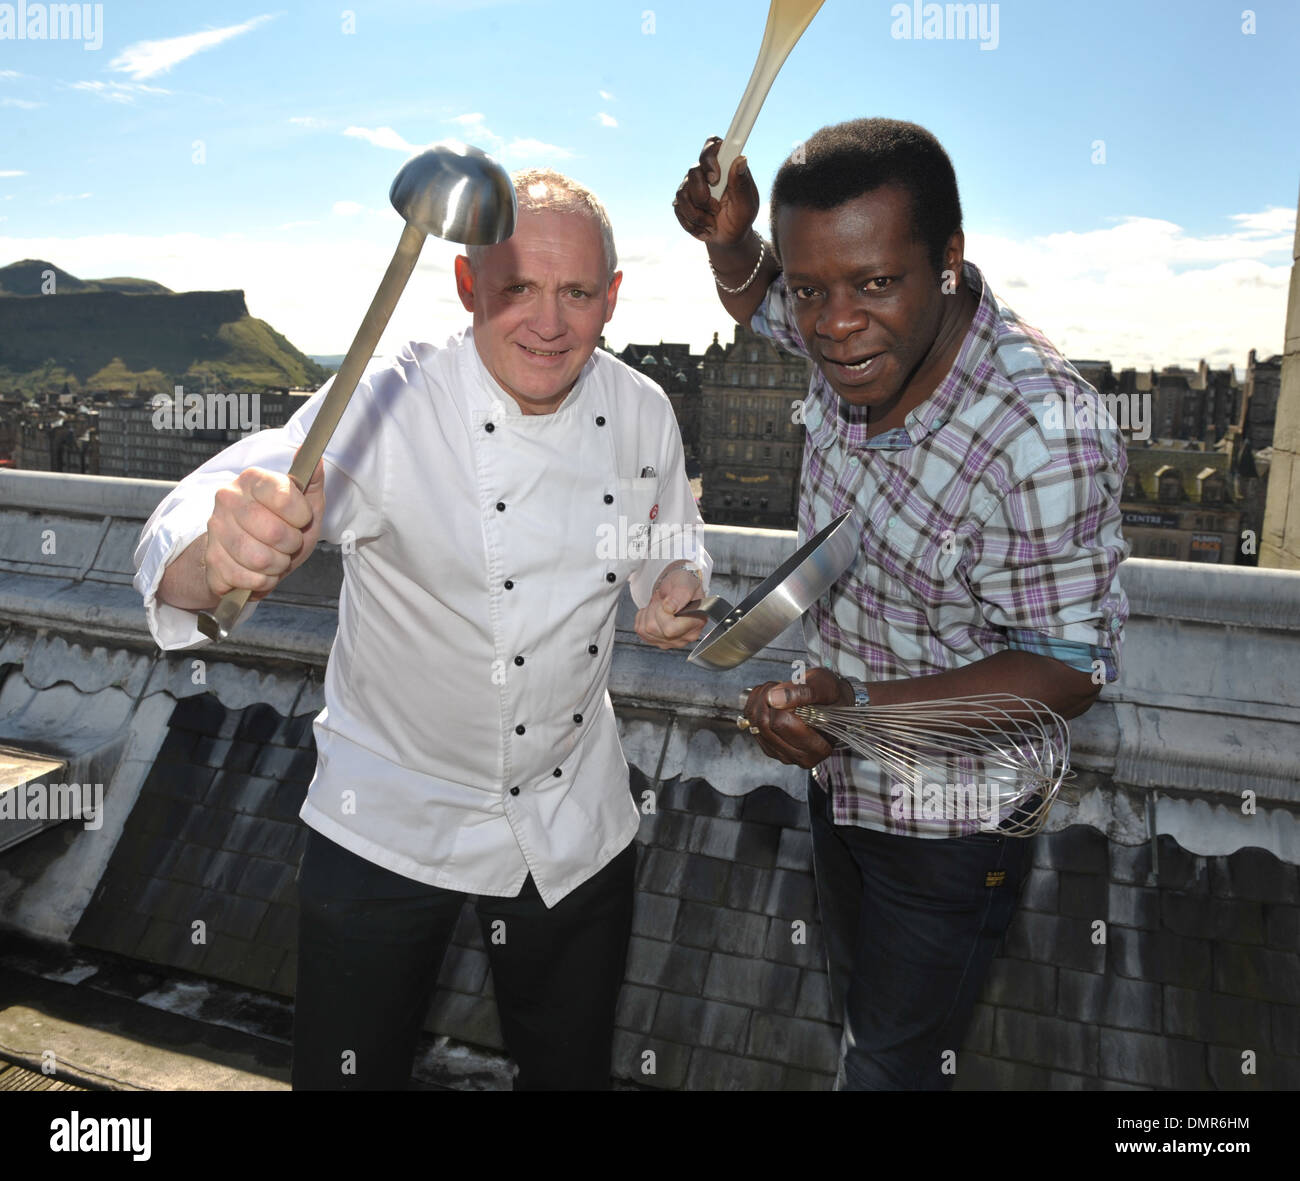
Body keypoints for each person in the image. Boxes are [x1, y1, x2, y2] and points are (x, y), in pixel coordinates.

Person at [134, 168, 710, 1090]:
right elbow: (256, 479)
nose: (549, 322)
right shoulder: (396, 398)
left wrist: (678, 582)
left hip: (571, 810)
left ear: (611, 297)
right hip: (390, 817)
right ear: (467, 285)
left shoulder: (643, 409)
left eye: (575, 293)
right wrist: (221, 547)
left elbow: (670, 535)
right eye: (518, 288)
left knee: (570, 1074)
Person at [673, 119, 1128, 1090]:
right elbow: (757, 296)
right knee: (864, 1020)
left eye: (875, 282)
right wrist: (730, 238)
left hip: (953, 826)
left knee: (888, 1063)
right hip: (841, 783)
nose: (834, 324)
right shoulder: (850, 333)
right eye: (812, 288)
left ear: (948, 261)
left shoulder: (1044, 429)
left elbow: (1067, 667)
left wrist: (857, 711)